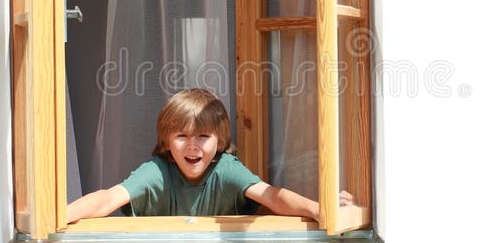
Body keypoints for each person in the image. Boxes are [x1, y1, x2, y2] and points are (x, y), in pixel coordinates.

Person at [66, 88, 353, 223]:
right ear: (167, 142)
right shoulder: (157, 171)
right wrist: (62, 216)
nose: (193, 146)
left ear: (220, 141)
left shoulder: (226, 169)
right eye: (182, 136)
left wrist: (318, 209)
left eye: (203, 136)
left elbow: (272, 196)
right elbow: (108, 198)